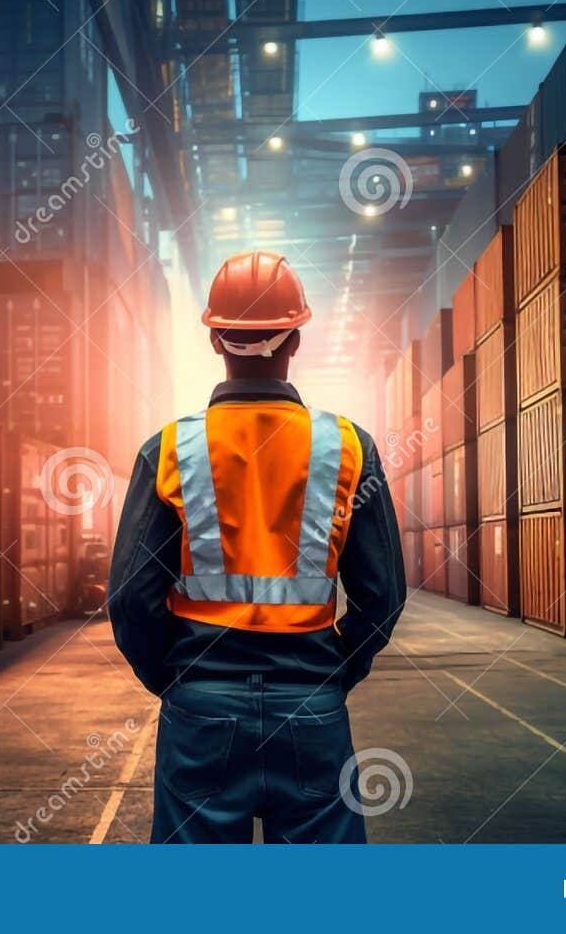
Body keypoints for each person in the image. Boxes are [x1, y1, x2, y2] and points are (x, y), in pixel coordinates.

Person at [108, 250, 406, 843]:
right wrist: (336, 673)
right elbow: (383, 596)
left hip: (201, 708)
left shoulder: (168, 449)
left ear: (215, 338)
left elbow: (129, 598)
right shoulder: (349, 446)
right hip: (312, 705)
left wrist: (175, 679)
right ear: (295, 337)